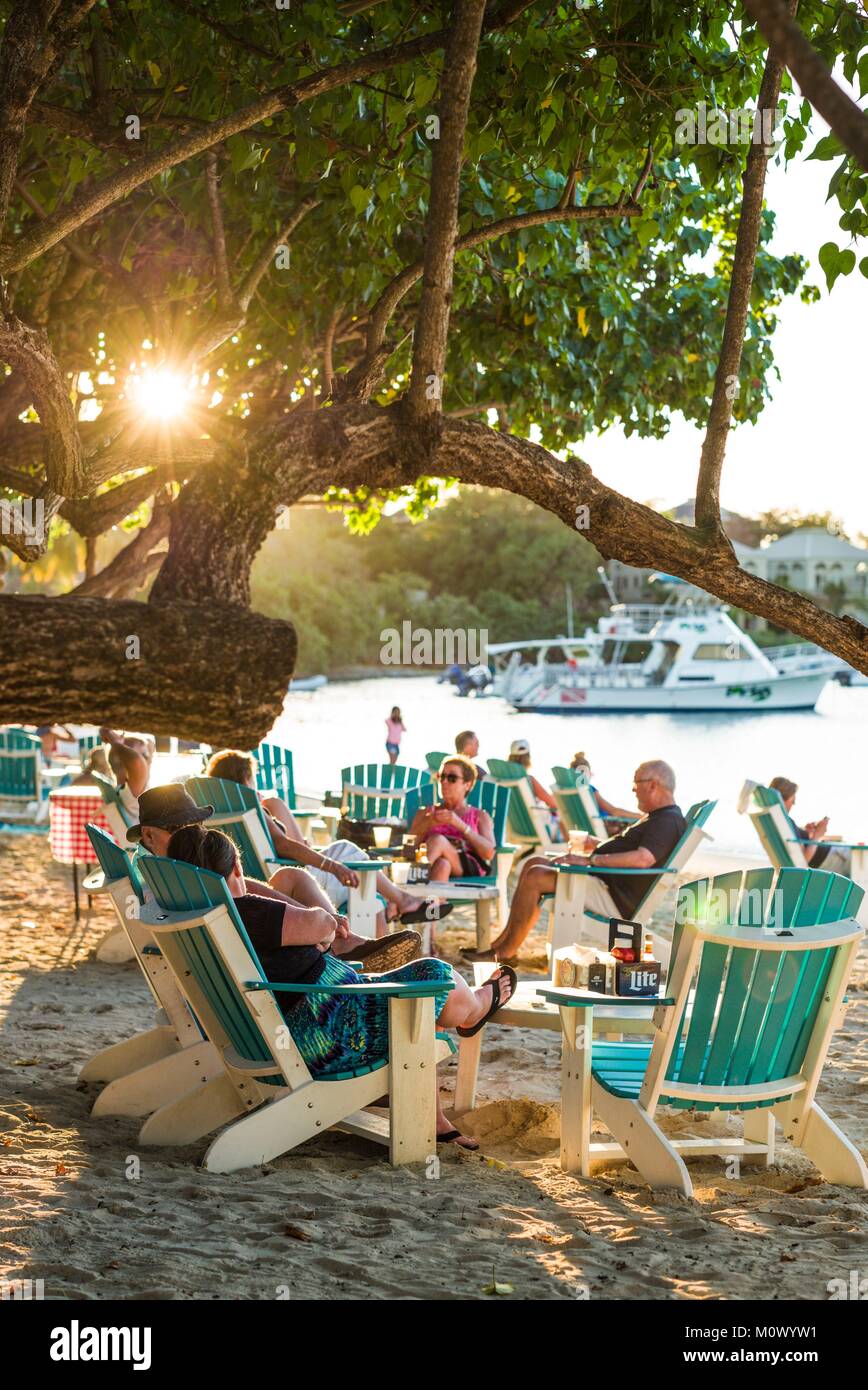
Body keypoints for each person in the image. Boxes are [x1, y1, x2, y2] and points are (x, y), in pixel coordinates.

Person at [167, 824, 516, 1149]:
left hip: (288, 1029)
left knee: (423, 989)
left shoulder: (195, 920)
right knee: (435, 976)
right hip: (335, 1035)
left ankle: (440, 1107)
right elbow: (320, 923)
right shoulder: (246, 913)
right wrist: (322, 929)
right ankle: (478, 1007)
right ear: (236, 872)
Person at [126, 785, 419, 973]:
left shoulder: (169, 866)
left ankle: (344, 940)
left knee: (291, 876)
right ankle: (340, 942)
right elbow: (238, 904)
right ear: (150, 834)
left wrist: (303, 914)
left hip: (228, 938)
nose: (194, 834)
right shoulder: (169, 872)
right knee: (298, 887)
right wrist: (311, 922)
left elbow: (241, 892)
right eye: (182, 827)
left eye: (197, 825)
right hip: (238, 954)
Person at [463, 759, 686, 964]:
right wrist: (596, 844)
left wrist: (592, 860)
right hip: (608, 883)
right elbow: (632, 851)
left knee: (536, 876)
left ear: (653, 785)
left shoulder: (666, 821)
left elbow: (642, 859)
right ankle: (500, 944)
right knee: (535, 862)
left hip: (615, 895)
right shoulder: (659, 817)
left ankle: (505, 953)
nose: (633, 790)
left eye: (636, 783)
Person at [204, 749, 437, 930]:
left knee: (365, 887)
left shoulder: (212, 815)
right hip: (293, 882)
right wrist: (331, 865)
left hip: (255, 884)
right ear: (246, 779)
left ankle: (397, 903)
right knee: (350, 858)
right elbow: (286, 845)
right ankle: (400, 901)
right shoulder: (258, 808)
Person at [408, 755, 495, 948]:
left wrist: (460, 825)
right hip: (433, 867)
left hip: (466, 865)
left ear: (468, 784)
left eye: (452, 778)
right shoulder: (426, 813)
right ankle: (429, 944)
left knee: (438, 840)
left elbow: (489, 852)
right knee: (442, 865)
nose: (445, 782)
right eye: (442, 776)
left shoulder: (479, 816)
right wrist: (428, 823)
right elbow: (408, 848)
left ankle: (403, 895)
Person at [769, 776, 852, 875]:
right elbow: (803, 860)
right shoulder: (785, 822)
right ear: (784, 798)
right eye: (793, 801)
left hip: (831, 857)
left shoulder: (778, 822)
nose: (793, 804)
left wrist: (808, 834)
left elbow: (800, 849)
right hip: (835, 857)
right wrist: (817, 835)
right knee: (861, 856)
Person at [569, 751, 636, 832]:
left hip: (582, 829)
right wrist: (641, 816)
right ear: (587, 773)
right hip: (604, 828)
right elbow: (614, 811)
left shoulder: (568, 791)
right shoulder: (588, 789)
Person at [100, 727, 153, 820]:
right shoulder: (133, 792)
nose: (148, 760)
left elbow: (150, 745)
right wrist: (115, 743)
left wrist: (111, 737)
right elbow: (136, 762)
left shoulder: (120, 790)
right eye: (143, 756)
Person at [509, 739, 557, 812]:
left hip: (508, 821)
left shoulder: (500, 780)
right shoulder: (529, 780)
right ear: (528, 758)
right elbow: (552, 803)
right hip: (531, 818)